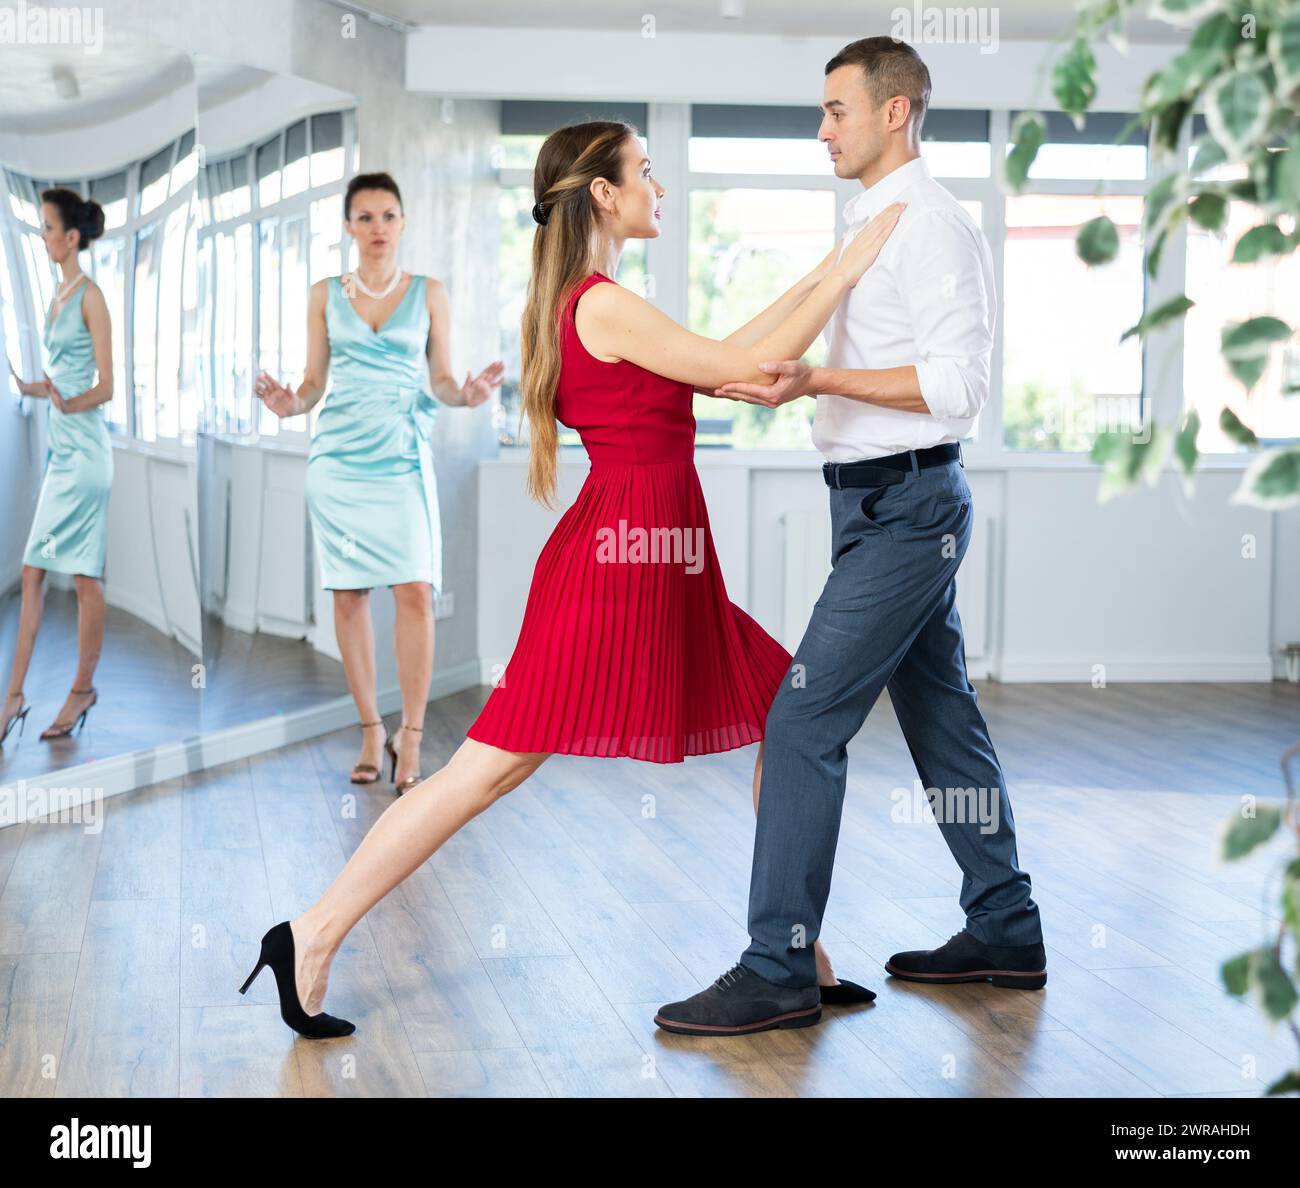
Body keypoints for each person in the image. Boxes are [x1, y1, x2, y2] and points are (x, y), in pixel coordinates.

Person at [237, 121, 903, 1038]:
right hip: (616, 571)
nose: (657, 186)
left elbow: (730, 361)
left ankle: (794, 954)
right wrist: (847, 265)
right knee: (485, 773)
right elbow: (746, 371)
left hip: (663, 566)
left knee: (786, 717)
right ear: (603, 192)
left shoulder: (604, 303)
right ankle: (309, 932)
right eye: (645, 172)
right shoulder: (598, 304)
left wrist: (837, 269)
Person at [655, 36, 1045, 1038]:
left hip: (910, 511)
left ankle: (778, 964)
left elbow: (957, 390)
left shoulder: (932, 228)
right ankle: (1006, 927)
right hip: (872, 503)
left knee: (800, 720)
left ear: (895, 112)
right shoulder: (871, 222)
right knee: (942, 721)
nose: (819, 126)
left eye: (836, 108)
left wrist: (819, 381)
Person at [255, 172, 503, 793]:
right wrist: (288, 405)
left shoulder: (429, 293)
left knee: (415, 591)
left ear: (403, 221)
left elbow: (442, 381)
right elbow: (312, 386)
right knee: (349, 597)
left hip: (399, 461)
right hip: (338, 462)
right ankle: (370, 727)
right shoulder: (322, 294)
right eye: (364, 218)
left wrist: (466, 397)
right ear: (347, 226)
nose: (377, 229)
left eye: (388, 216)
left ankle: (410, 734)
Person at [3, 188, 114, 747]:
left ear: (72, 237)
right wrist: (35, 388)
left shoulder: (91, 296)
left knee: (85, 577)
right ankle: (15, 696)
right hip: (61, 452)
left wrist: (69, 401)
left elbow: (107, 385)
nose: (43, 236)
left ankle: (82, 688)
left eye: (48, 228)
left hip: (88, 455)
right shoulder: (55, 293)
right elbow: (63, 376)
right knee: (34, 572)